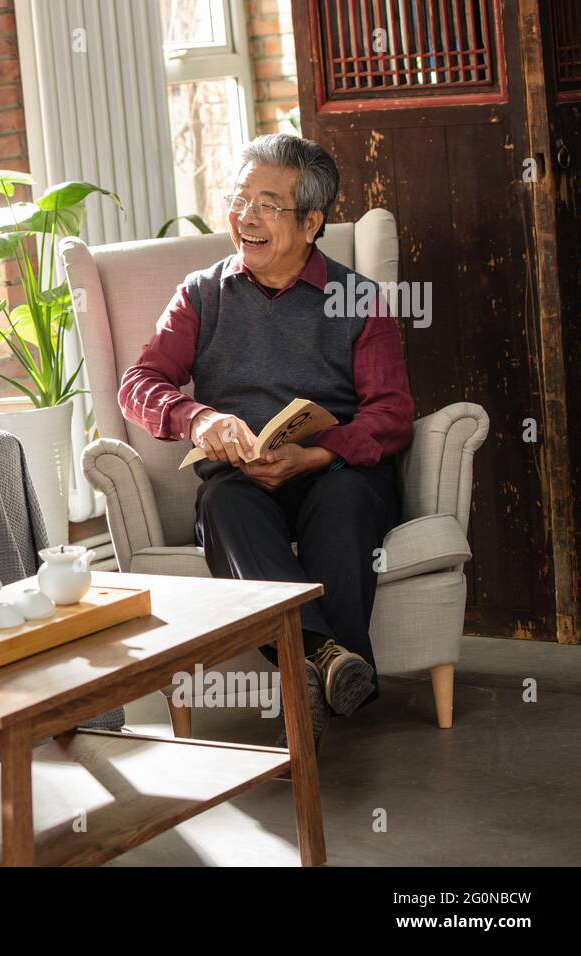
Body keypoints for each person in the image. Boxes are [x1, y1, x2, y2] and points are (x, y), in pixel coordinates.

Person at [118, 133, 416, 748]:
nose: (245, 217)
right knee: (224, 503)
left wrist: (319, 452)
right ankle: (330, 662)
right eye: (239, 198)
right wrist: (199, 419)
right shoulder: (201, 296)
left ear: (312, 223)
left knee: (346, 503)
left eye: (268, 205)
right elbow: (138, 383)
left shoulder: (360, 300)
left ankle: (302, 678)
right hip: (241, 476)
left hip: (333, 471)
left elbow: (392, 412)